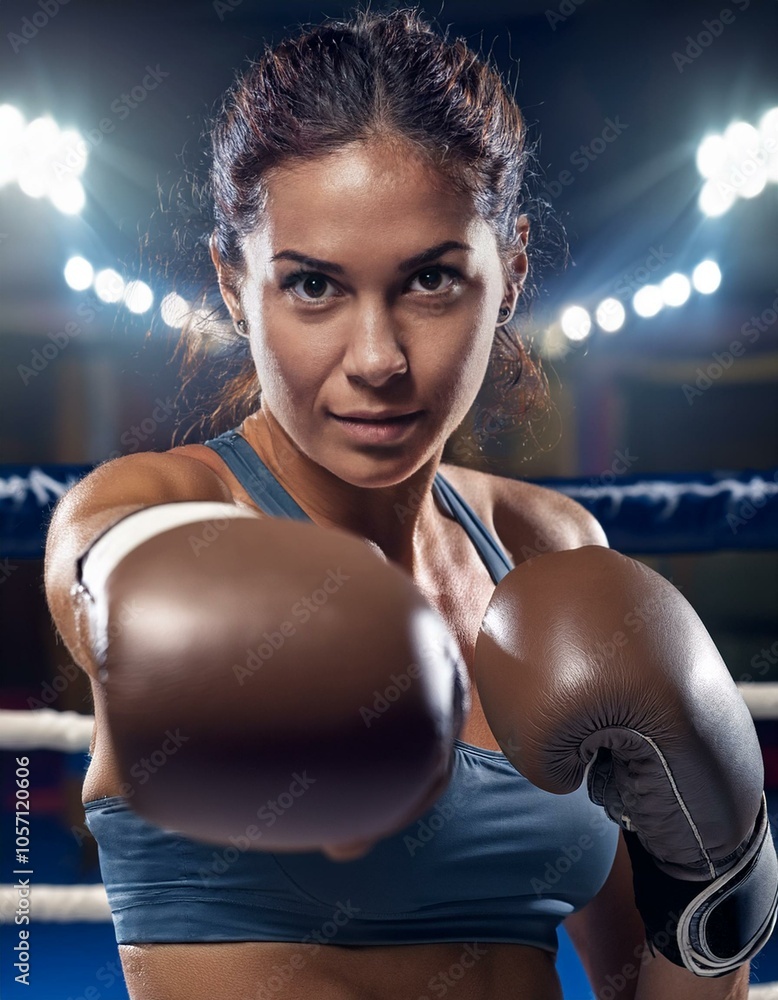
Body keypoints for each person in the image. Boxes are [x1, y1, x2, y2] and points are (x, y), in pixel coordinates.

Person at [44, 8, 774, 1000]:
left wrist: (715, 885)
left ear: (509, 273)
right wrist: (207, 621)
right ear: (231, 284)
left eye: (431, 278)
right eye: (312, 286)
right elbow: (106, 578)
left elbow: (640, 980)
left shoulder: (547, 547)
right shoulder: (157, 504)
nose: (378, 358)